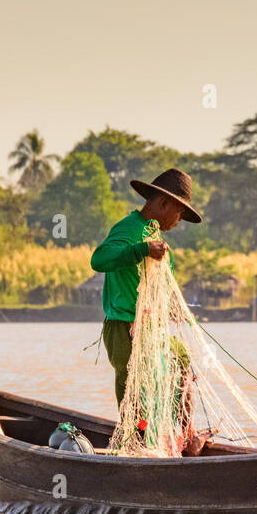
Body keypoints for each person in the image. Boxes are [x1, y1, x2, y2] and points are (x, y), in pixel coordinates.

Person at [91, 168, 202, 406]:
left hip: (153, 330)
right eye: (180, 212)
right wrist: (141, 250)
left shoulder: (155, 236)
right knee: (134, 391)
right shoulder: (129, 229)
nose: (179, 219)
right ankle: (136, 439)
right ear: (163, 203)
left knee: (182, 364)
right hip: (125, 328)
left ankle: (179, 437)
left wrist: (175, 306)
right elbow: (99, 259)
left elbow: (164, 287)